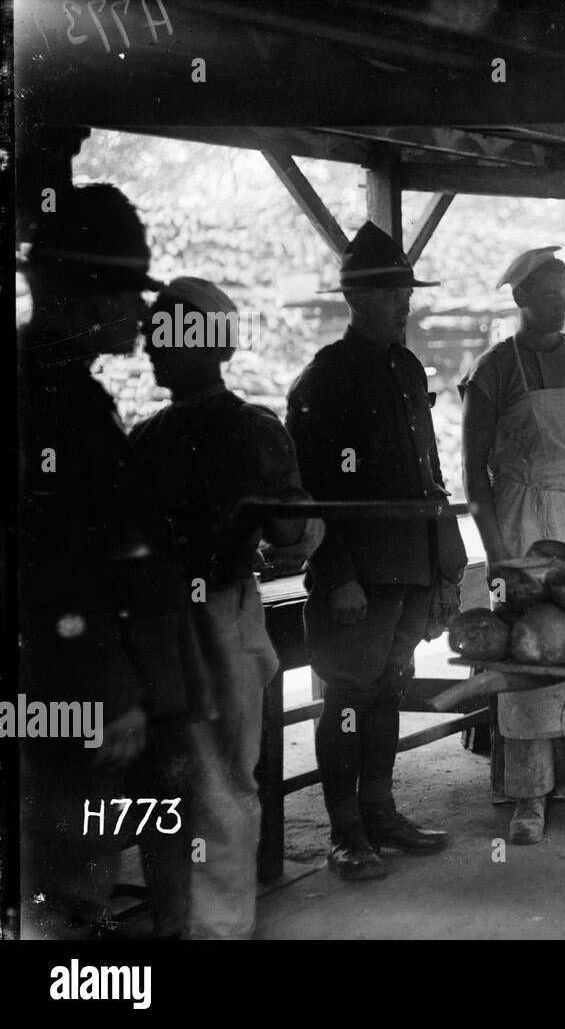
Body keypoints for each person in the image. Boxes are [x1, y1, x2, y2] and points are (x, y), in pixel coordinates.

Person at [16, 184, 192, 938]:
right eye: (130, 294)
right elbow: (49, 561)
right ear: (89, 296)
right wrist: (110, 688)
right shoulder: (42, 399)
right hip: (75, 689)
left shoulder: (73, 392)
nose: (140, 315)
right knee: (67, 883)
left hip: (113, 678)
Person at [131, 276, 322, 937]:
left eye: (171, 335)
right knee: (169, 786)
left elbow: (292, 535)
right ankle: (178, 925)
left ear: (212, 345)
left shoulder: (252, 429)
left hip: (216, 616)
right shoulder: (146, 436)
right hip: (156, 623)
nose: (154, 347)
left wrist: (289, 522)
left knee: (213, 787)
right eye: (154, 333)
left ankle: (213, 931)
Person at [287, 222, 467, 881]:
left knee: (388, 689)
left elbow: (431, 476)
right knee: (347, 698)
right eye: (392, 291)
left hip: (408, 569)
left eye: (406, 290)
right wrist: (337, 577)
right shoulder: (324, 380)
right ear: (355, 299)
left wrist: (445, 566)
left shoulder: (407, 368)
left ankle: (382, 813)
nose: (404, 301)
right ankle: (345, 834)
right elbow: (306, 492)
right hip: (356, 579)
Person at [460, 247, 565, 845]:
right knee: (530, 651)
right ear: (519, 299)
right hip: (521, 521)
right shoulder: (494, 370)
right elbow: (474, 473)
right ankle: (529, 798)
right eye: (550, 293)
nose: (562, 302)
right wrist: (499, 553)